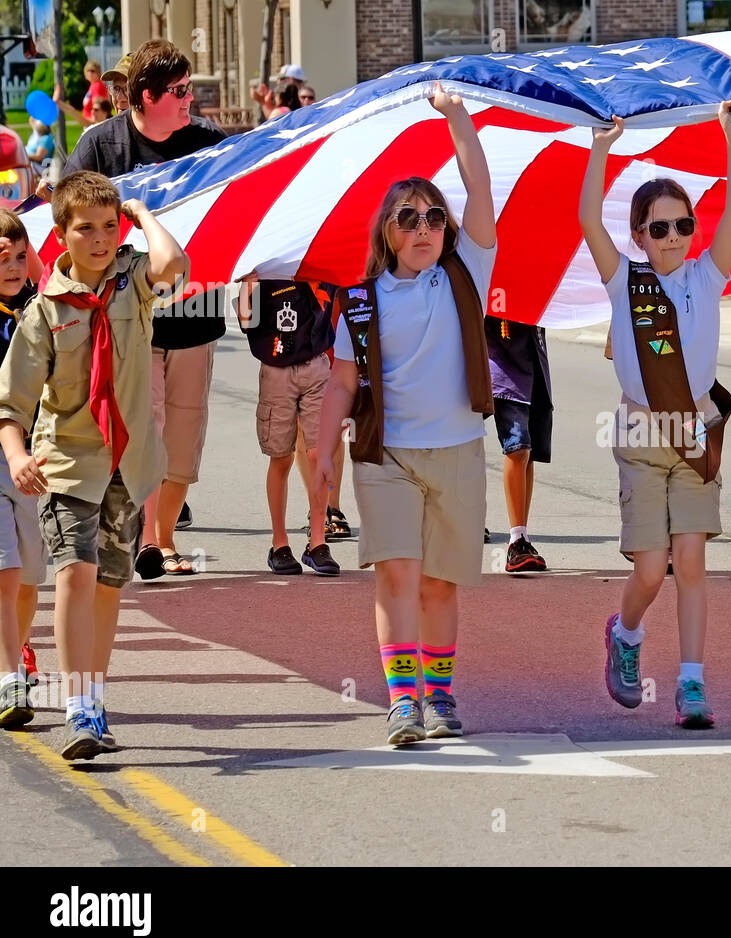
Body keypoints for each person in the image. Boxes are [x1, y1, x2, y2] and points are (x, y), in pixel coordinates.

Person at [314, 85, 495, 747]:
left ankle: (441, 694)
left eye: (432, 218)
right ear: (386, 232)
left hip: (457, 450)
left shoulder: (464, 274)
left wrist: (458, 121)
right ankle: (402, 701)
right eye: (407, 218)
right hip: (385, 455)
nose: (424, 228)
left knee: (441, 584)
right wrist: (326, 450)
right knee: (398, 571)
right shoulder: (361, 302)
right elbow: (342, 382)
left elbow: (480, 193)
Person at [0, 171, 187, 759]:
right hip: (68, 462)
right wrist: (17, 455)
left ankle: (95, 697)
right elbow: (10, 405)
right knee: (74, 574)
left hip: (128, 464)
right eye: (87, 228)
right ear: (61, 235)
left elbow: (174, 264)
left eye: (110, 227)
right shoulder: (44, 313)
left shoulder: (132, 280)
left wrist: (140, 213)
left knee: (109, 584)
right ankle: (78, 703)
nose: (102, 238)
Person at [580, 102, 731, 729]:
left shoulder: (708, 275)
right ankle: (625, 633)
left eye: (682, 224)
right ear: (639, 236)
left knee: (693, 562)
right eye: (659, 228)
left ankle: (693, 683)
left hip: (697, 429)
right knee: (652, 568)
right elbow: (586, 218)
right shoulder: (625, 281)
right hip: (641, 433)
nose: (673, 236)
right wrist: (602, 148)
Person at [62, 40, 228, 580]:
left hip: (195, 310)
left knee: (183, 432)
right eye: (179, 91)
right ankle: (141, 540)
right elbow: (65, 217)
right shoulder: (99, 146)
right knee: (142, 425)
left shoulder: (207, 143)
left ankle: (163, 536)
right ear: (147, 96)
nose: (190, 100)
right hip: (126, 318)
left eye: (189, 89)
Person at [236, 277, 340, 577]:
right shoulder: (266, 266)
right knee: (280, 457)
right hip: (276, 369)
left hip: (316, 365)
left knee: (318, 454)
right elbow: (246, 320)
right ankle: (279, 544)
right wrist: (249, 286)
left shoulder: (318, 263)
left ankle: (318, 541)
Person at [0, 210, 46, 729]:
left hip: (37, 457)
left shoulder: (39, 310)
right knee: (6, 570)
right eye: (2, 260)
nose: (13, 268)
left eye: (19, 257)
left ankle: (20, 641)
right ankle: (9, 676)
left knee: (31, 576)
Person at [487, 315, 552, 572]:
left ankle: (522, 535)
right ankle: (516, 539)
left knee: (529, 451)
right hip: (502, 355)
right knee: (518, 446)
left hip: (533, 349)